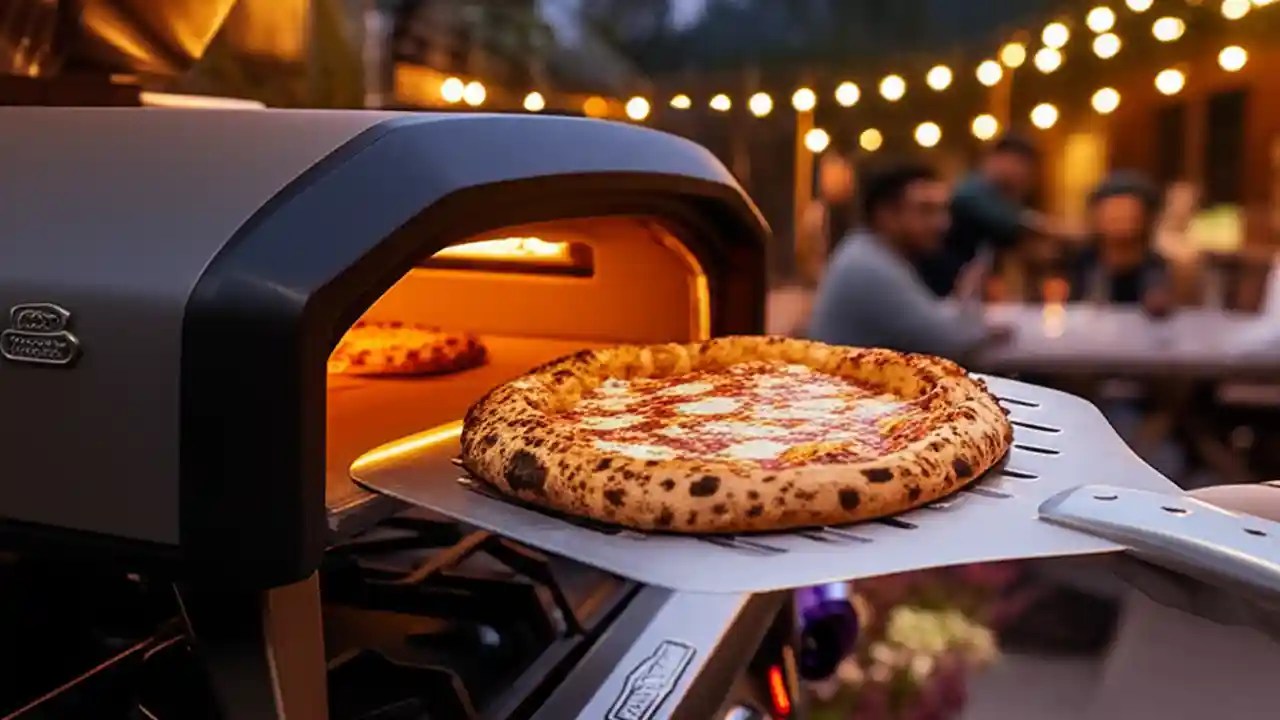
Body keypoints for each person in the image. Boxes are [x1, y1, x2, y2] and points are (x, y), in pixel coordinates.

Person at [808, 162, 1009, 361]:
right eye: (926, 210)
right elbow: (946, 341)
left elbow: (936, 323)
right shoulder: (868, 266)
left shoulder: (870, 251)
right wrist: (969, 290)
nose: (942, 223)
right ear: (885, 214)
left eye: (943, 210)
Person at [915, 135, 1063, 298]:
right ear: (998, 159)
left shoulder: (999, 197)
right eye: (1020, 164)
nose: (1023, 174)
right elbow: (1011, 222)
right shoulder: (973, 192)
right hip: (940, 288)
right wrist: (1054, 229)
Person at [1068, 171, 1173, 313]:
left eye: (1128, 211)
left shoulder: (1158, 268)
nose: (1120, 216)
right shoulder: (1076, 264)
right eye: (1112, 212)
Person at [794, 151, 857, 288]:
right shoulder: (815, 215)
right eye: (829, 175)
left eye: (839, 175)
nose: (833, 180)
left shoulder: (859, 217)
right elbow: (806, 250)